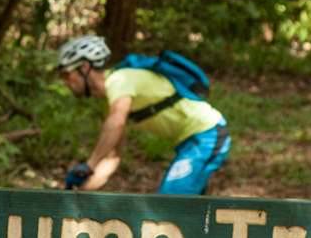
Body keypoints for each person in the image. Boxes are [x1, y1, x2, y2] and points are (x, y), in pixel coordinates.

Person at [53, 34, 231, 197]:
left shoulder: (119, 80)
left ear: (84, 67)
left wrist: (89, 165)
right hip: (190, 142)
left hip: (207, 134)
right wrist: (78, 194)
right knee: (184, 209)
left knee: (170, 203)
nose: (65, 81)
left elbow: (117, 122)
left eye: (67, 74)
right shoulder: (113, 98)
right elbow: (112, 158)